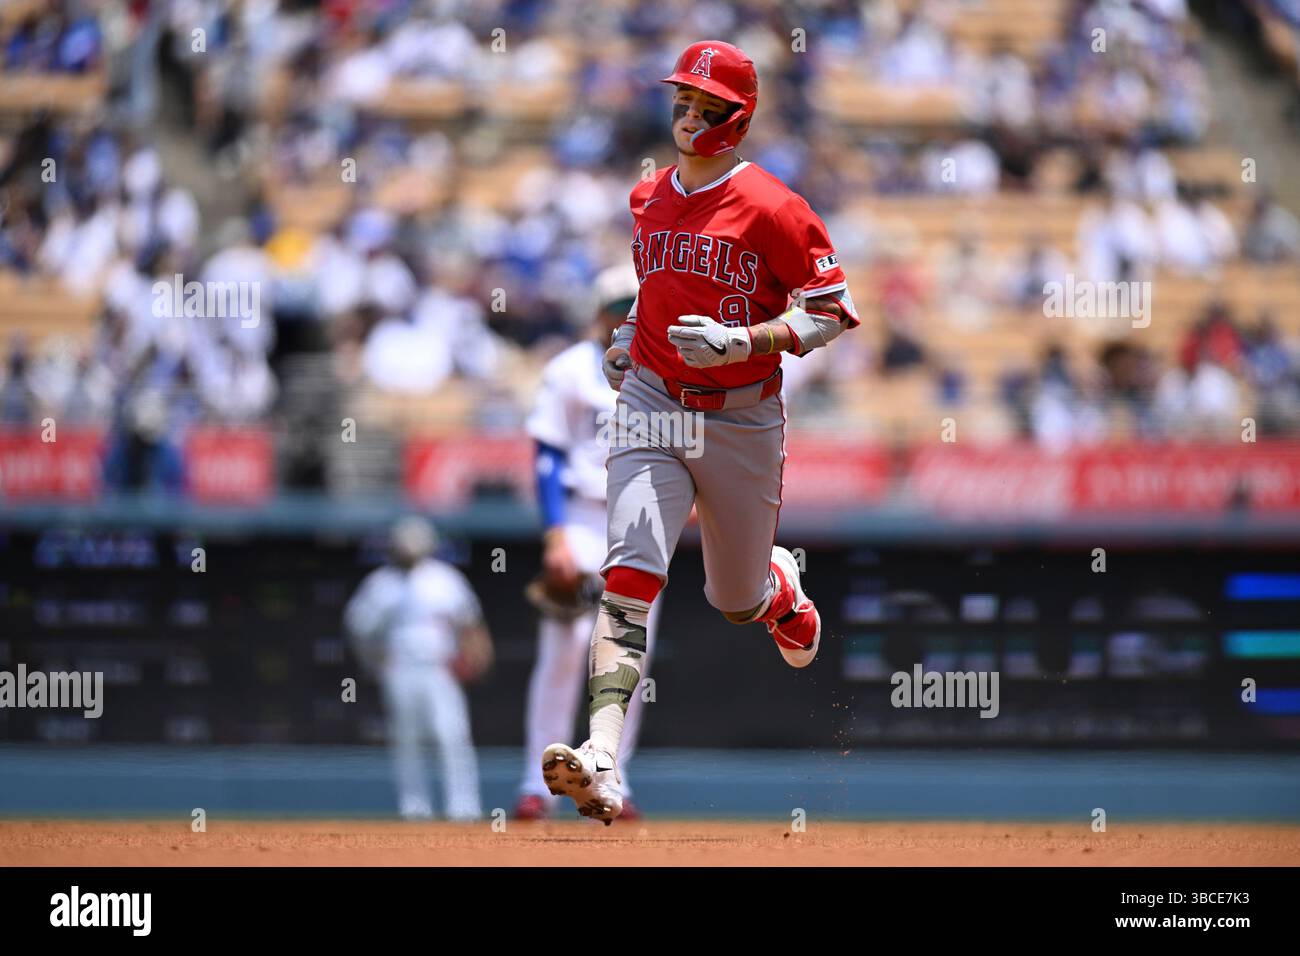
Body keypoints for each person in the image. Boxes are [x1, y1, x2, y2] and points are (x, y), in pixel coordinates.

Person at [541, 41, 860, 823]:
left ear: (738, 117)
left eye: (704, 104)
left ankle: (777, 590)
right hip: (653, 404)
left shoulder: (777, 208)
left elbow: (831, 311)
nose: (687, 114)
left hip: (743, 417)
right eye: (681, 100)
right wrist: (628, 345)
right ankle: (602, 757)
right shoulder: (647, 195)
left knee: (734, 598)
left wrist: (745, 341)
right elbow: (656, 284)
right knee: (628, 581)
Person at [514, 266, 662, 822]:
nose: (626, 312)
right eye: (617, 304)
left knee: (629, 660)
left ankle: (611, 779)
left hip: (641, 520)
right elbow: (548, 455)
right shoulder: (571, 369)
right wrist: (554, 534)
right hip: (579, 516)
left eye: (634, 304)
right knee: (567, 649)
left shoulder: (661, 368)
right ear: (597, 311)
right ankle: (535, 779)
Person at [344, 516, 493, 820]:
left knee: (451, 734)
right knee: (406, 739)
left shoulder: (445, 579)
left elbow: (470, 624)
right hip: (400, 669)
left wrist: (477, 657)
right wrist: (375, 663)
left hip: (440, 668)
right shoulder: (380, 584)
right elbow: (358, 629)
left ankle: (463, 807)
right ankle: (415, 808)